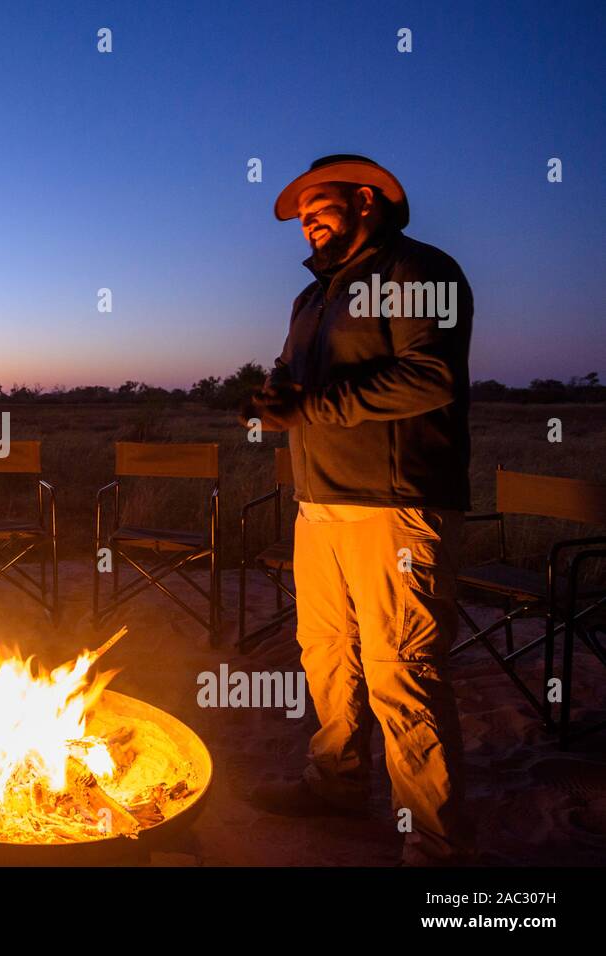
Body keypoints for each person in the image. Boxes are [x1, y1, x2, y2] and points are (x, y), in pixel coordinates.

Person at [241, 155, 476, 865]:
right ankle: (336, 782)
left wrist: (315, 406)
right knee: (328, 657)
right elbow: (294, 377)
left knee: (401, 671)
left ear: (366, 199)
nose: (308, 221)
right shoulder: (311, 299)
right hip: (318, 503)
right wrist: (275, 397)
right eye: (302, 214)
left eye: (321, 206)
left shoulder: (416, 271)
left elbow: (431, 375)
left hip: (395, 508)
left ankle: (436, 846)